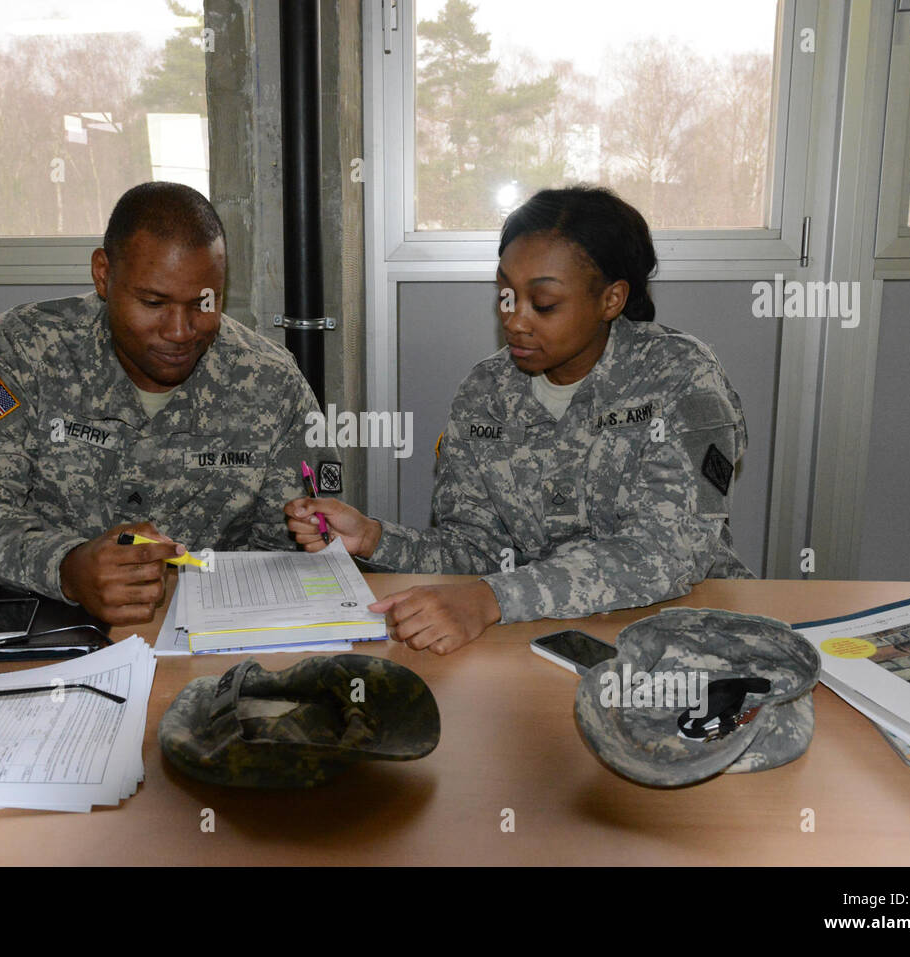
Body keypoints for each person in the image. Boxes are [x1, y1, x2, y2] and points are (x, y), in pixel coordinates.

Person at [286, 186, 752, 655]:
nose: (514, 319)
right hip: (531, 635)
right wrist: (373, 538)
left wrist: (492, 598)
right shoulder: (486, 392)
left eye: (543, 303)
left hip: (680, 632)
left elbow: (666, 553)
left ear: (611, 300)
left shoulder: (683, 377)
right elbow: (474, 552)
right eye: (506, 295)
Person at [0, 182, 336, 625]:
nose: (180, 331)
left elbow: (307, 554)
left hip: (205, 645)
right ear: (103, 274)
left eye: (203, 303)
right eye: (153, 302)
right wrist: (66, 567)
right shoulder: (22, 352)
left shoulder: (270, 381)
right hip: (44, 631)